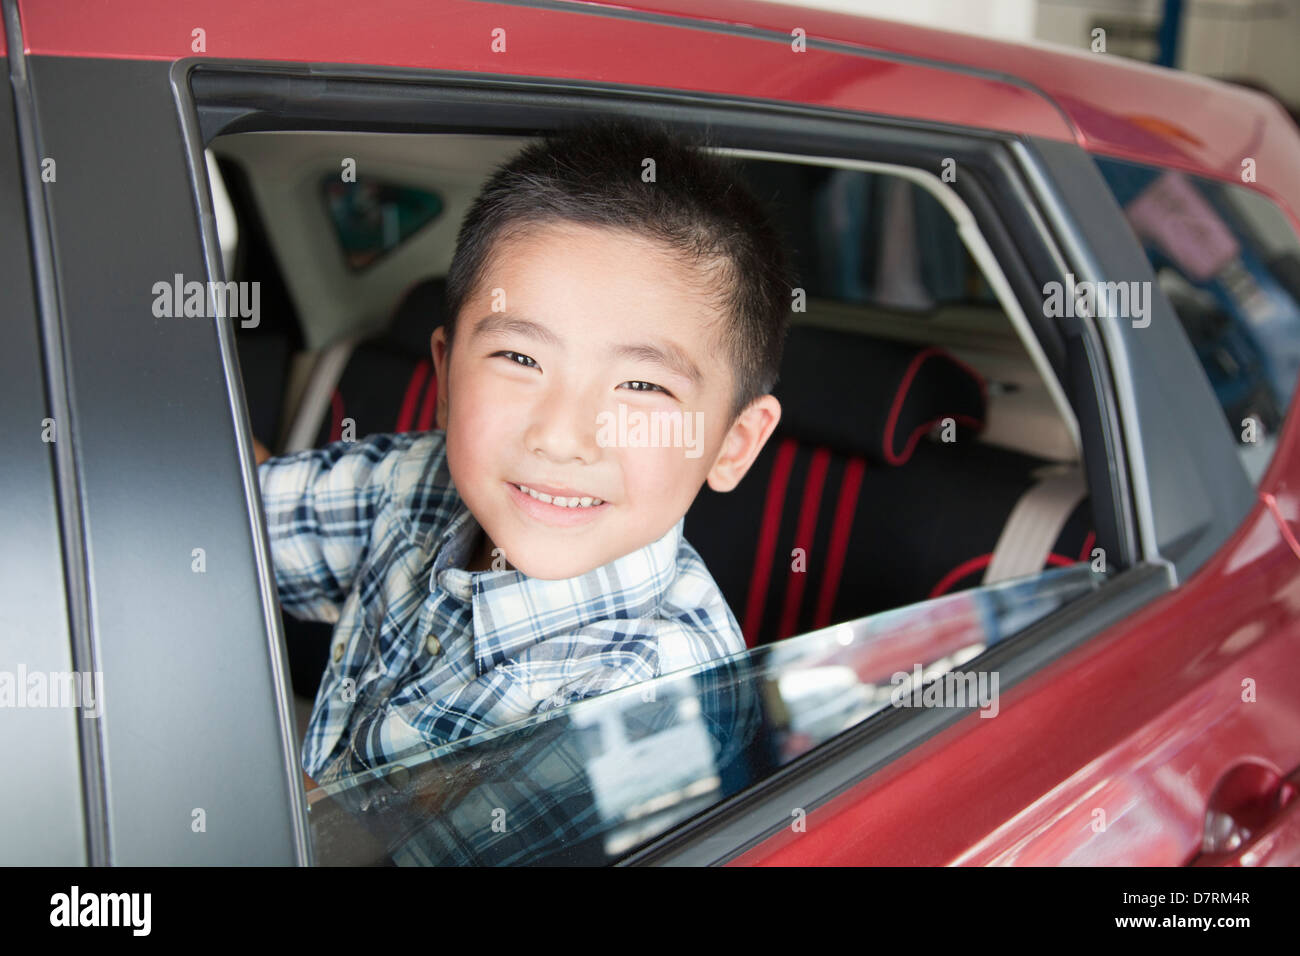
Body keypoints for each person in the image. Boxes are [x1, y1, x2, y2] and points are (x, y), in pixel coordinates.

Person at [257, 118, 794, 786]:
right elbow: (234, 518)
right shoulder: (419, 482)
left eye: (642, 385)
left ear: (732, 444)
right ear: (447, 377)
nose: (561, 436)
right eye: (519, 356)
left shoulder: (654, 699)